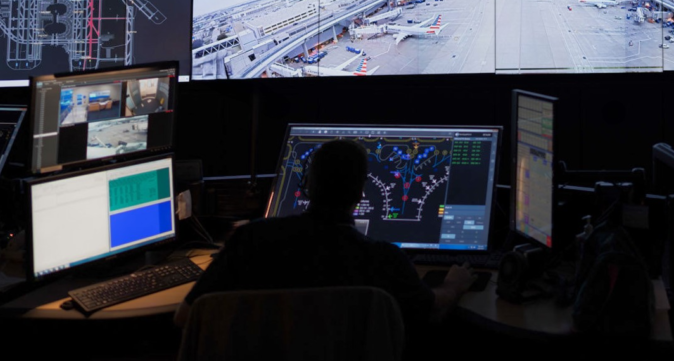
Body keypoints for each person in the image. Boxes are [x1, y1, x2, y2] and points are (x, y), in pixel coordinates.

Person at [174, 139, 475, 331]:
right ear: (359, 195)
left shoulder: (249, 240)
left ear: (306, 188)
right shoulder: (383, 259)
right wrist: (453, 285)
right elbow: (432, 312)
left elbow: (185, 318)